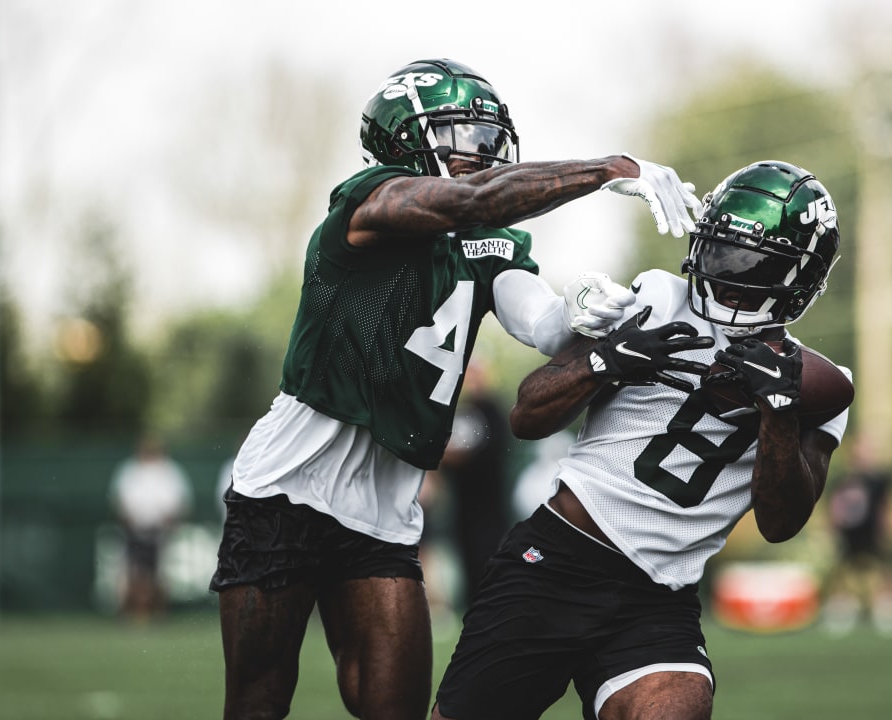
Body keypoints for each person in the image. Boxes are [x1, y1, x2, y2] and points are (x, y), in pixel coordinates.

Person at [209, 57, 702, 720]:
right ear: (405, 140)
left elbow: (547, 325)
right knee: (258, 702)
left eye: (486, 136)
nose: (481, 151)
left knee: (398, 709)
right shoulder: (369, 203)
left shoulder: (489, 244)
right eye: (460, 134)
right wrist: (611, 168)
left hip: (383, 508)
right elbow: (472, 199)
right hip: (287, 486)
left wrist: (592, 312)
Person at [432, 160, 848, 720]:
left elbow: (780, 524)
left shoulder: (819, 388)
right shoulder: (659, 296)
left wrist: (777, 414)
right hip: (556, 561)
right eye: (718, 249)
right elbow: (527, 414)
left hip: (656, 595)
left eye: (747, 260)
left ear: (798, 277)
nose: (724, 271)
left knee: (677, 708)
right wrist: (604, 360)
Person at [434, 358, 515, 611]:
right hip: (465, 502)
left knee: (489, 551)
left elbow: (489, 449)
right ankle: (471, 604)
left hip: (490, 502)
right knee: (466, 551)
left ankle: (495, 603)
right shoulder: (462, 411)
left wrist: (455, 456)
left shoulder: (493, 411)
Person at [821, 435, 892, 636]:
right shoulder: (841, 480)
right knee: (843, 570)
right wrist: (831, 528)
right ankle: (841, 607)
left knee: (884, 569)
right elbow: (834, 506)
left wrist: (889, 526)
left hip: (872, 531)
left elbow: (888, 505)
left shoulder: (879, 480)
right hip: (850, 532)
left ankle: (888, 606)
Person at [110, 434, 191, 624]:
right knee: (134, 574)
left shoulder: (170, 471)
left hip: (160, 531)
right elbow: (120, 501)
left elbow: (179, 502)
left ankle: (159, 614)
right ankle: (135, 614)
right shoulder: (130, 471)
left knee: (160, 575)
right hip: (135, 530)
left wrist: (169, 521)